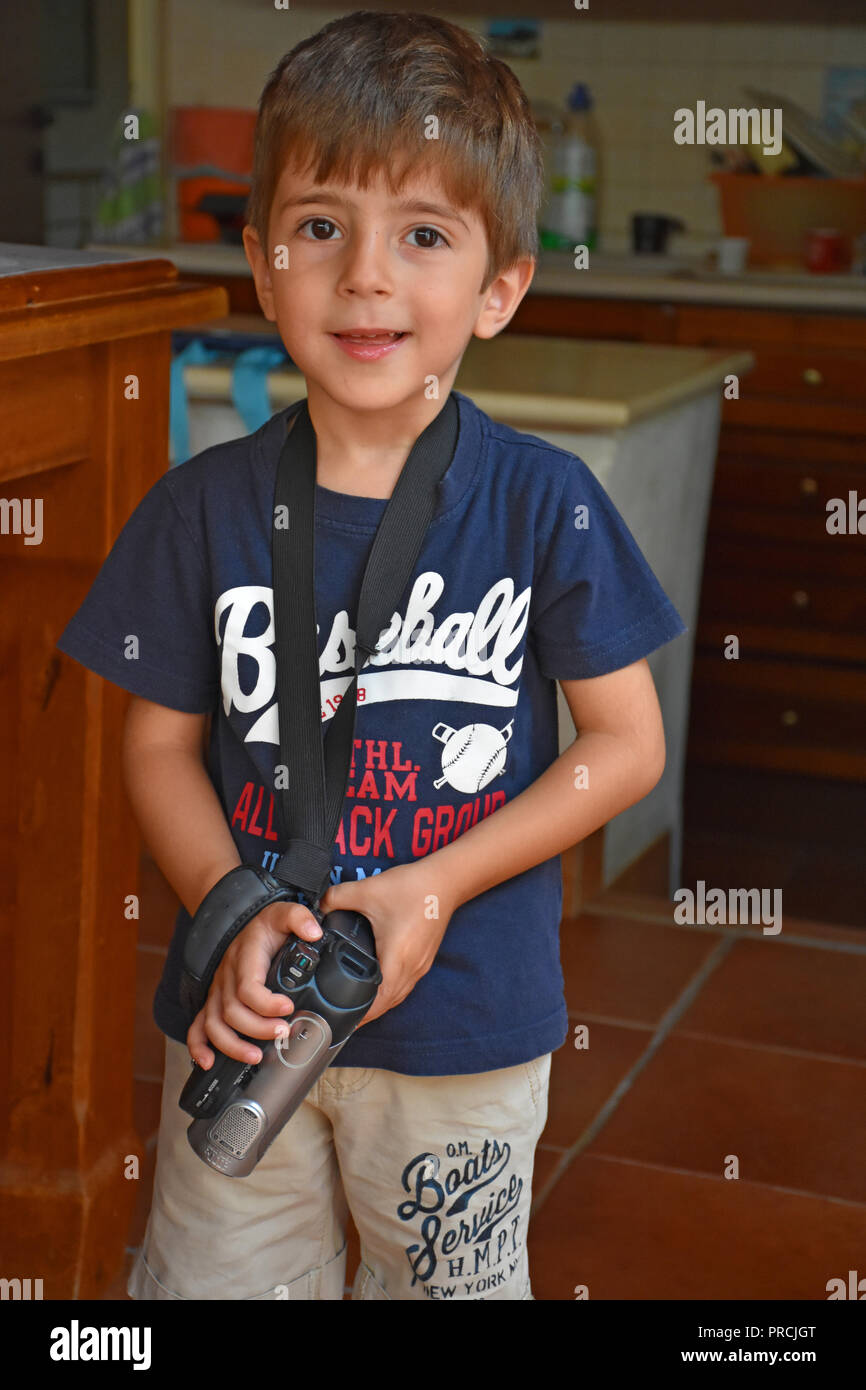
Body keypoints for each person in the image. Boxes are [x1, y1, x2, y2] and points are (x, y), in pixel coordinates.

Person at [56, 10, 686, 1301]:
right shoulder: (197, 506)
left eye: (424, 235)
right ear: (258, 256)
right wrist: (232, 906)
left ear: (498, 287)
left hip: (462, 1025)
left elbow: (626, 746)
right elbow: (158, 746)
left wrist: (431, 888)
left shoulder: (541, 500)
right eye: (322, 225)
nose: (366, 278)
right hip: (239, 1009)